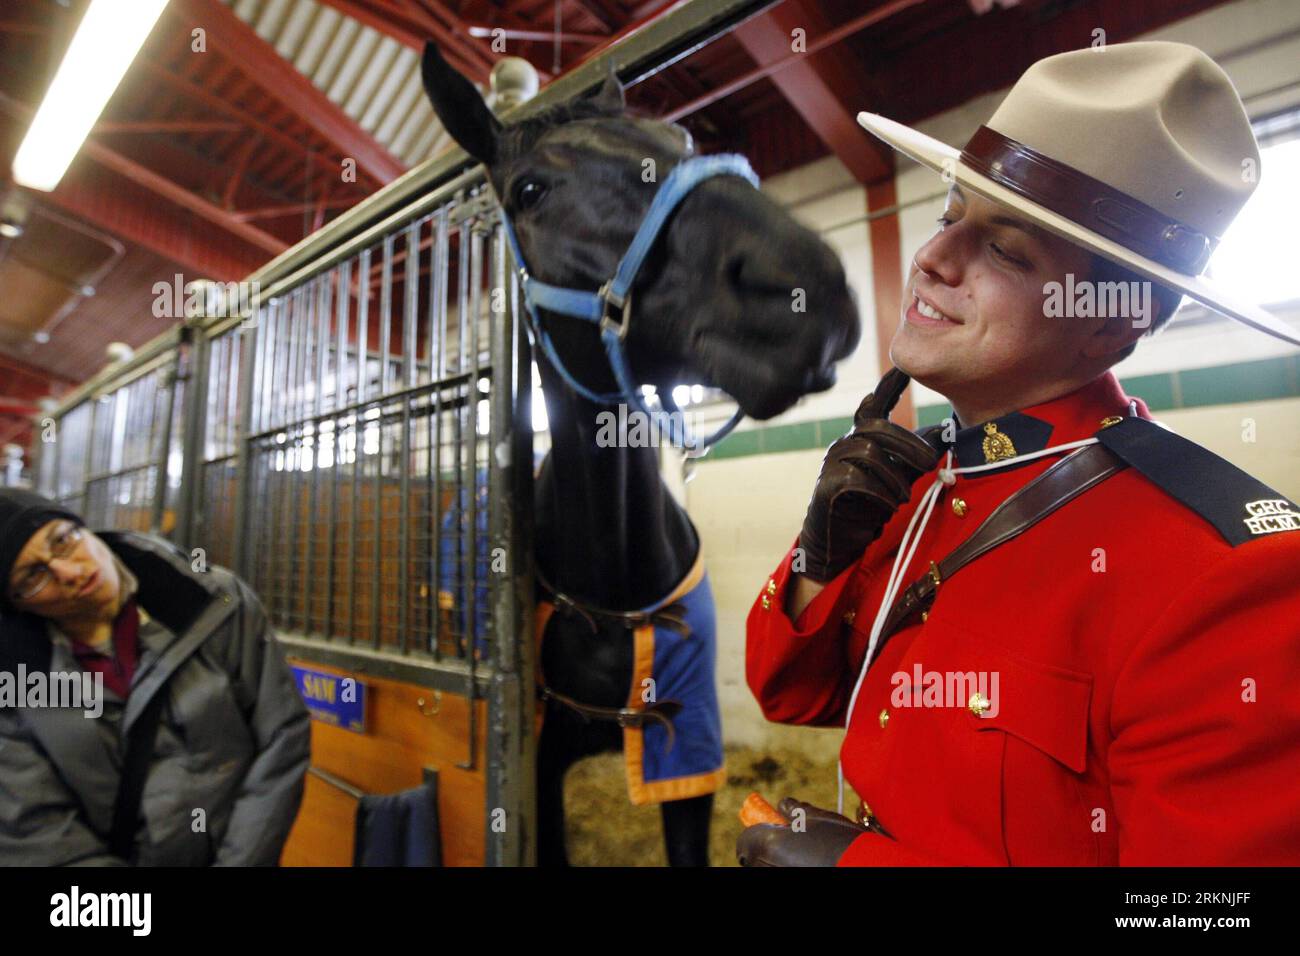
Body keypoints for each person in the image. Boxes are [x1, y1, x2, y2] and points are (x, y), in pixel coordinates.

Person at [739, 41, 1300, 866]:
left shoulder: (1230, 580)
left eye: (1005, 249)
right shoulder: (931, 481)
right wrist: (822, 559)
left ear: (1110, 320)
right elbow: (794, 692)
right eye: (950, 213)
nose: (933, 258)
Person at [0, 489, 310, 865]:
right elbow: (37, 829)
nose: (68, 572)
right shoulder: (15, 681)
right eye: (33, 576)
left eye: (62, 540)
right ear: (15, 603)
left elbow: (280, 736)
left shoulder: (214, 602)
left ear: (83, 527)